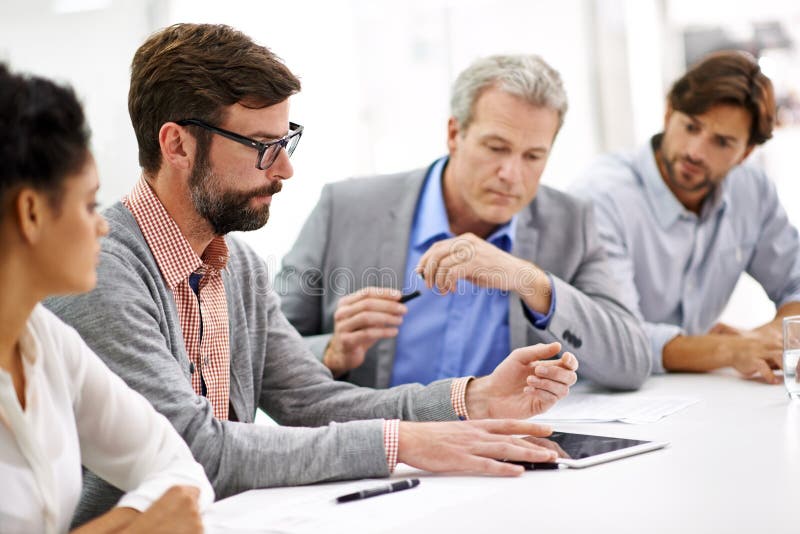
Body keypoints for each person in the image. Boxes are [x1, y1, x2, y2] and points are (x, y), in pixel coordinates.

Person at [45, 23, 579, 526]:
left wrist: (474, 398)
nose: (284, 169)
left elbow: (314, 403)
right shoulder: (98, 270)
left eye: (286, 141)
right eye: (262, 147)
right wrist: (404, 441)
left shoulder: (240, 270)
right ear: (177, 145)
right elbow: (191, 447)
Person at [277, 54, 651, 390]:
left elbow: (632, 360)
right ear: (455, 134)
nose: (511, 174)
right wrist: (333, 351)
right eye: (496, 148)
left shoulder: (573, 223)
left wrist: (527, 279)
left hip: (502, 453)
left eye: (534, 156)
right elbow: (263, 353)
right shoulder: (345, 208)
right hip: (380, 451)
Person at [0, 64, 213, 533]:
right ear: (31, 212)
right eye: (89, 205)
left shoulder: (47, 342)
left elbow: (180, 464)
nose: (102, 225)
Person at [571, 50, 800, 383]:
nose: (695, 151)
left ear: (746, 153)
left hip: (700, 393)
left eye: (721, 142)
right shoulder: (602, 197)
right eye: (690, 126)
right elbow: (619, 339)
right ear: (668, 114)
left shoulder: (753, 190)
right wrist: (727, 350)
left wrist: (768, 339)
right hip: (606, 398)